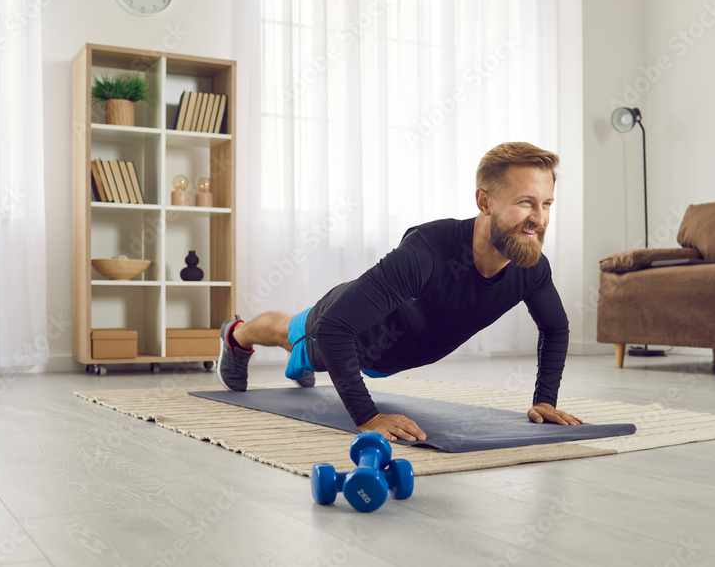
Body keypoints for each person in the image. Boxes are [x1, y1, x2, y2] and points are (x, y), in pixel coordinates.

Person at [217, 142, 581, 443]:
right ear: (484, 202)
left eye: (546, 204)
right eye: (525, 202)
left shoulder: (530, 266)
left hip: (381, 359)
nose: (540, 218)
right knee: (291, 331)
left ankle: (302, 359)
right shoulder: (429, 251)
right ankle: (236, 335)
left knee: (306, 351)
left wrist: (545, 400)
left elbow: (555, 328)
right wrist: (368, 418)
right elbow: (334, 328)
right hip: (354, 333)